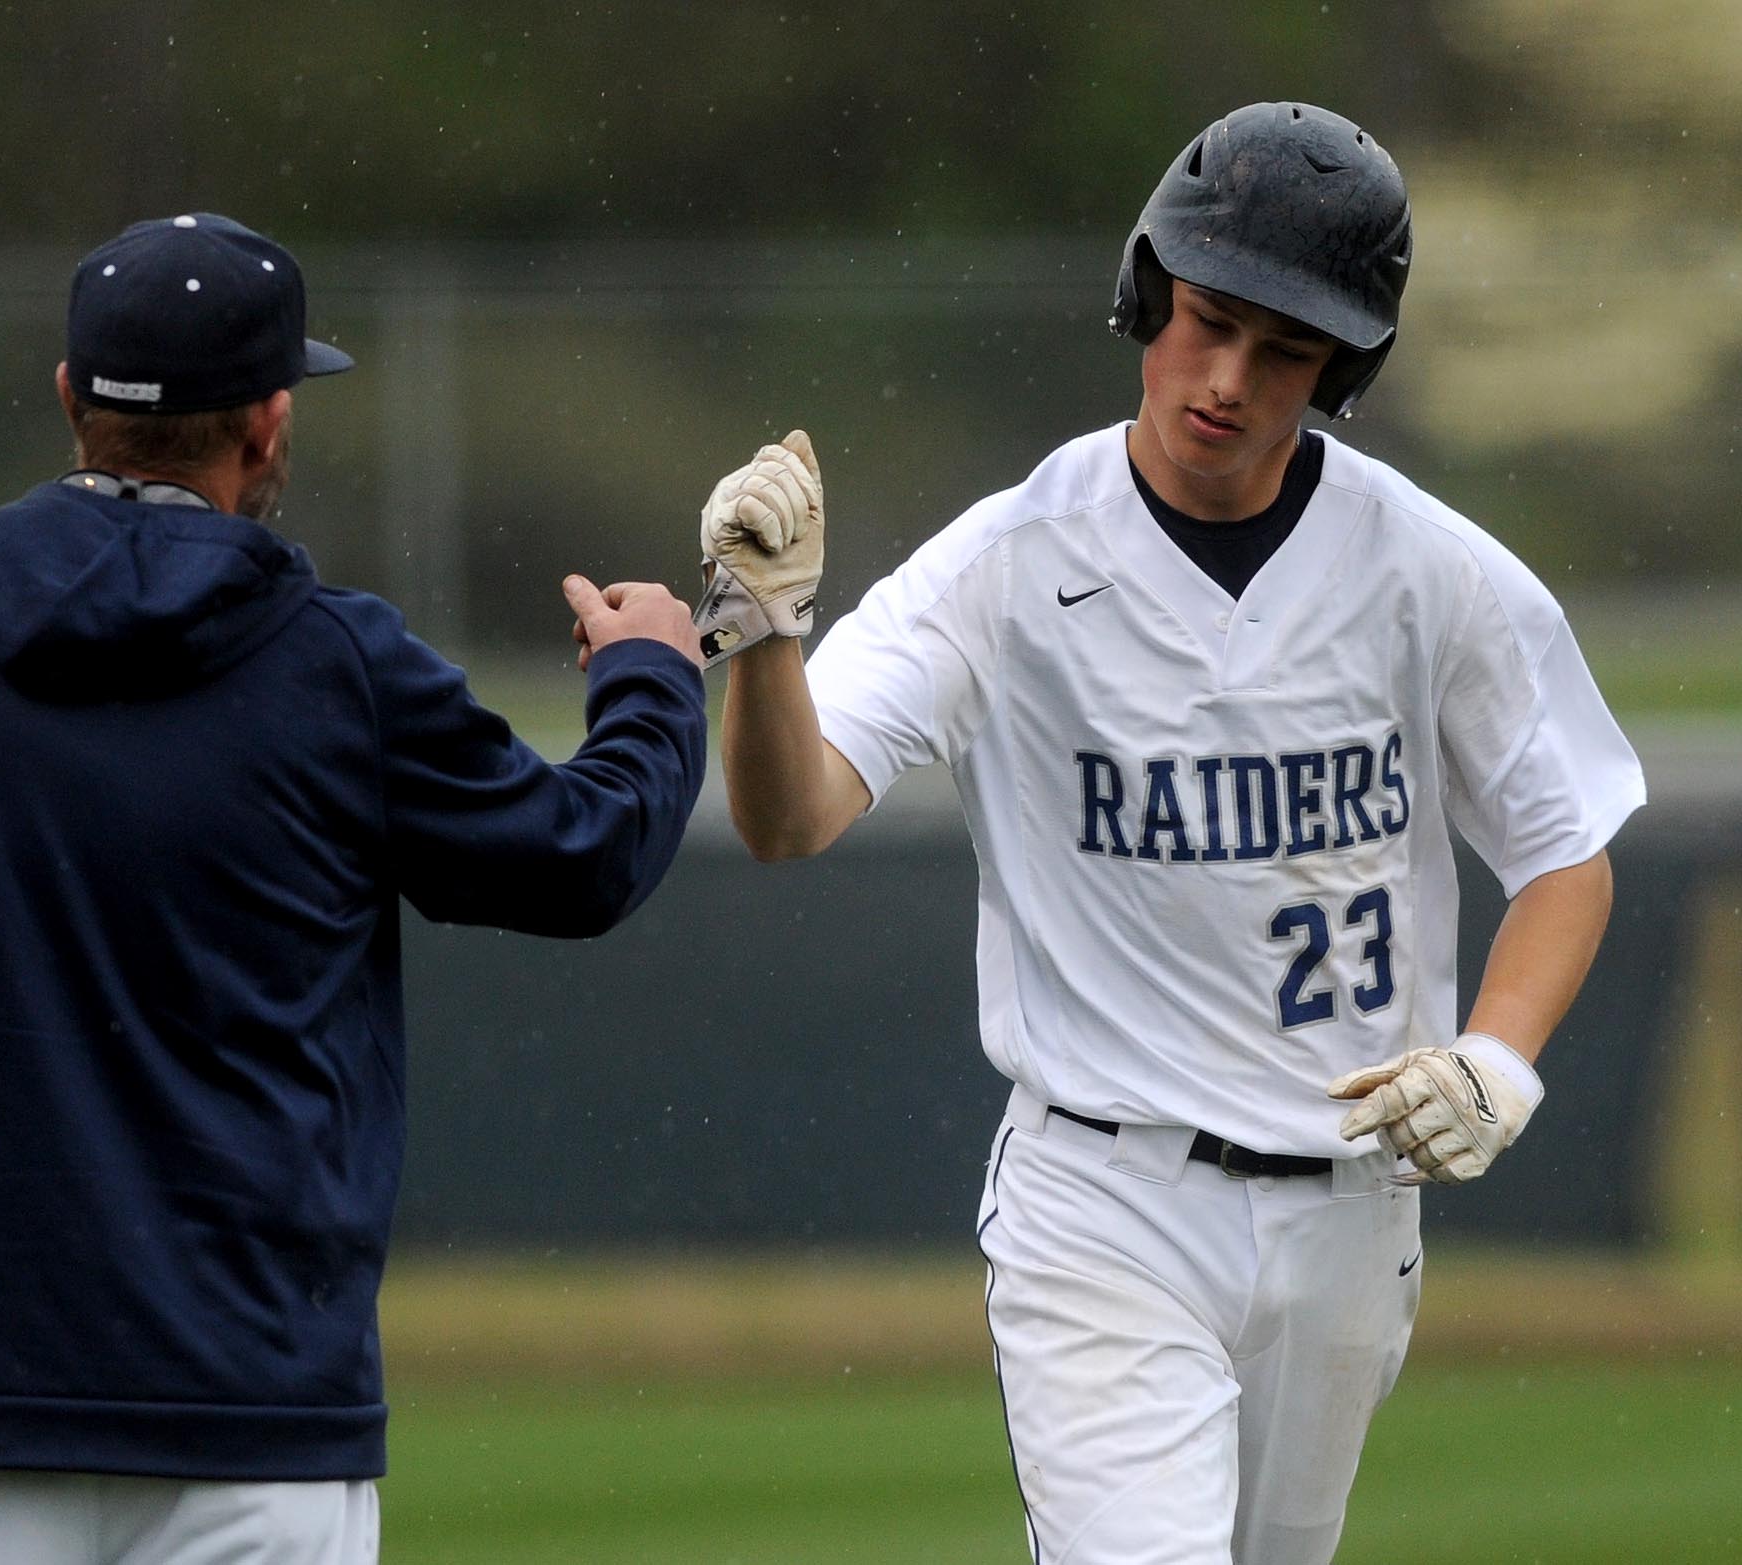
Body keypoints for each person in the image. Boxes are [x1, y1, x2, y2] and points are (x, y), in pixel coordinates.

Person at [0, 212, 707, 1564]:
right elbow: (587, 854)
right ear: (270, 422)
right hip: (249, 1423)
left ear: (68, 398)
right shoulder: (339, 666)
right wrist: (654, 675)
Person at [694, 104, 1644, 1564]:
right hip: (1105, 1198)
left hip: (1351, 1205)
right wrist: (760, 632)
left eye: (1285, 351)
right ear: (1147, 293)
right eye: (1205, 322)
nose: (1226, 379)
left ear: (1343, 370)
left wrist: (1501, 1054)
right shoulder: (1012, 559)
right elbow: (787, 812)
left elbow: (1566, 850)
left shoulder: (1428, 569)